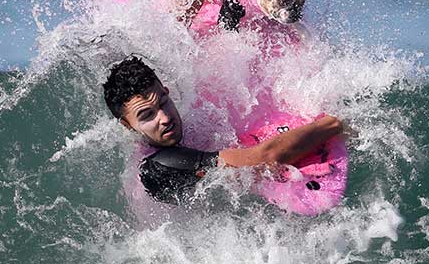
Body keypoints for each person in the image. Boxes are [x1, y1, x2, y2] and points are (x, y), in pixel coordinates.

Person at [103, 56, 344, 204]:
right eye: (147, 116)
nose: (164, 118)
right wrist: (332, 124)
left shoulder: (177, 124)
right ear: (127, 126)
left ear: (166, 91)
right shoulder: (162, 163)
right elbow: (264, 159)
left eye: (163, 103)